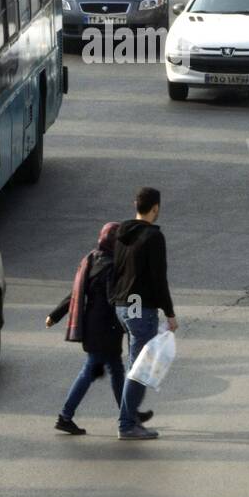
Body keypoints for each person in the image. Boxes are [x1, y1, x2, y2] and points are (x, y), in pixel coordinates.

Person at [44, 222, 143, 436]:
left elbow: (76, 292)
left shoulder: (92, 258)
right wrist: (130, 321)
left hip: (94, 326)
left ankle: (129, 412)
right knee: (92, 371)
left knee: (116, 371)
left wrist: (55, 314)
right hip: (106, 328)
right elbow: (113, 300)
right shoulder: (111, 267)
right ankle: (65, 415)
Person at [109, 186, 177, 441]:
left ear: (135, 205)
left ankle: (131, 415)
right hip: (141, 310)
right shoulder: (153, 237)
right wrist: (170, 313)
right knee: (140, 368)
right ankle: (127, 423)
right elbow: (159, 279)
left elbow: (114, 271)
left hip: (122, 306)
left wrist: (114, 301)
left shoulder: (120, 234)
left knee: (134, 364)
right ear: (155, 208)